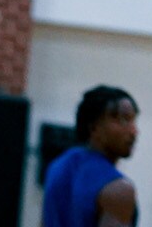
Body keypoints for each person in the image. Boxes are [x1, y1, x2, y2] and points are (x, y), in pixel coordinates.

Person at [43, 85, 140, 227]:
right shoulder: (119, 189)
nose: (134, 131)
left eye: (133, 120)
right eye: (123, 119)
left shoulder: (57, 166)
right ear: (94, 127)